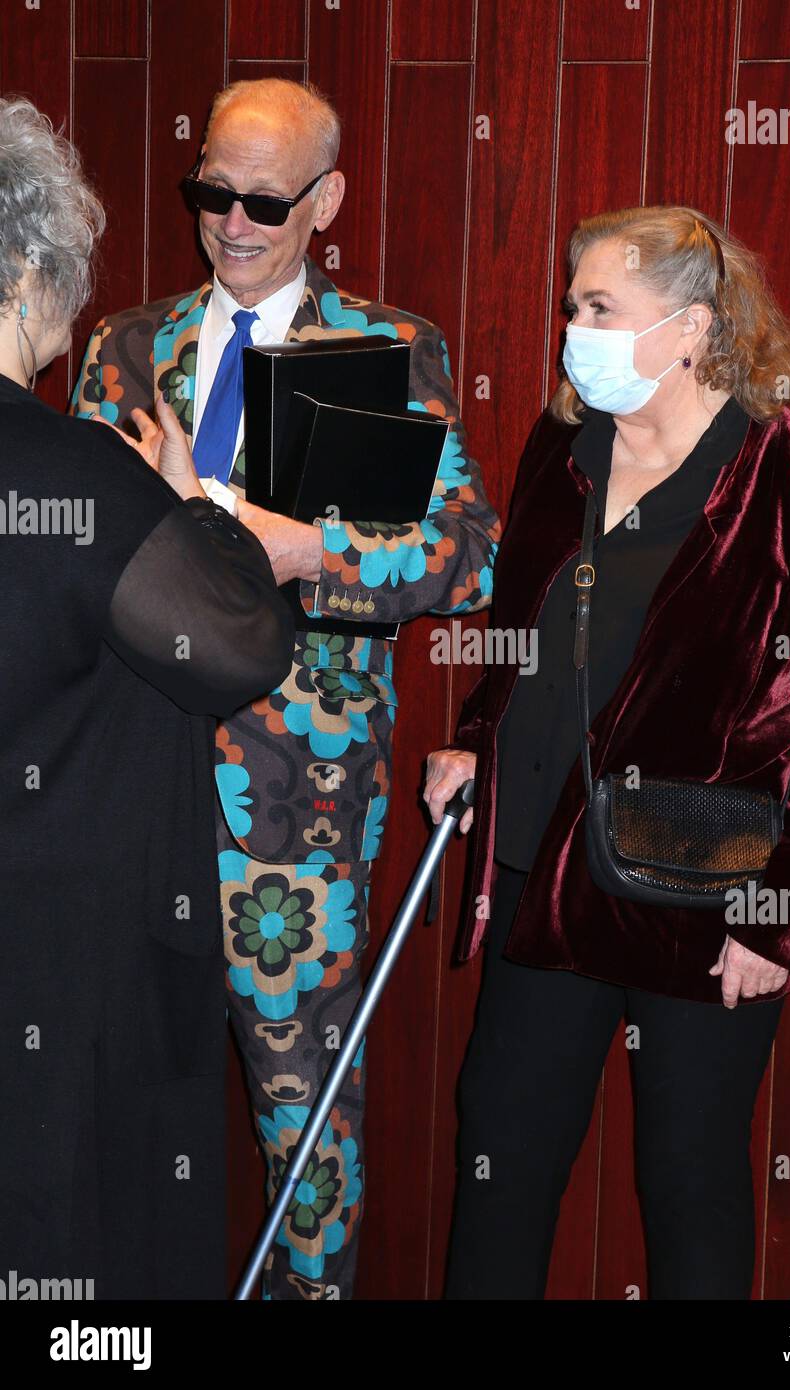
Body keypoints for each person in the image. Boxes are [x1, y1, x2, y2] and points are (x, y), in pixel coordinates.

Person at [424, 205, 790, 1299]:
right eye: (570, 305)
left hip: (706, 902)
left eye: (599, 309)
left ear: (690, 328)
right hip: (541, 878)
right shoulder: (563, 448)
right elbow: (521, 634)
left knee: (687, 1181)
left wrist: (783, 912)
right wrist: (473, 742)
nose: (569, 330)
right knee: (498, 1158)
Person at [71, 77, 500, 1300]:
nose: (236, 223)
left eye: (268, 199)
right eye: (214, 191)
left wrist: (309, 549)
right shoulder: (124, 347)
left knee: (301, 1127)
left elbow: (466, 561)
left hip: (298, 826)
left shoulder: (375, 352)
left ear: (328, 199)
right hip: (127, 796)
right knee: (124, 1113)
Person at [0, 96, 294, 1299]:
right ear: (25, 269)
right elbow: (237, 647)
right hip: (71, 960)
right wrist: (188, 506)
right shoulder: (81, 471)